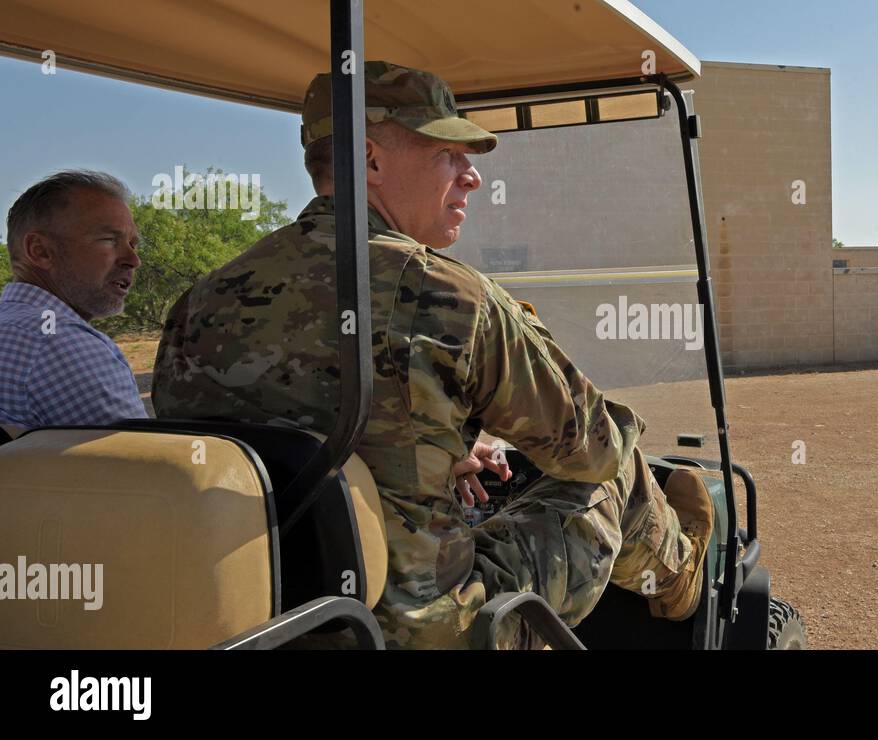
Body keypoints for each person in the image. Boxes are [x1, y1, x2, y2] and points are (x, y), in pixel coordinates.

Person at [151, 62, 713, 649]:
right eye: (449, 154)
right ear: (369, 161)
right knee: (618, 467)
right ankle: (680, 579)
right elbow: (590, 449)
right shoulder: (445, 295)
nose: (473, 176)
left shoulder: (199, 302)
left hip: (267, 626)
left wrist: (438, 453)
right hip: (428, 632)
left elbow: (281, 448)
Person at [0, 171, 146, 431]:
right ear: (41, 251)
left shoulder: (11, 327)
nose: (133, 260)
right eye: (109, 240)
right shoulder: (57, 341)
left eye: (133, 244)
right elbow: (144, 454)